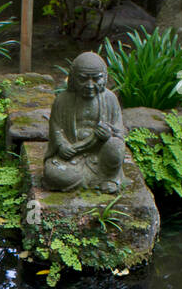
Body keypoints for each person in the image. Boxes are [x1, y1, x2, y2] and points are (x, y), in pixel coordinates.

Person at [42, 52, 127, 194]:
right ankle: (96, 180)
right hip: (71, 159)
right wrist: (62, 145)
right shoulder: (62, 100)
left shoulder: (110, 99)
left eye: (96, 79)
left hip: (99, 157)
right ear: (73, 78)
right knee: (52, 173)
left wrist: (109, 135)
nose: (89, 85)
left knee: (115, 147)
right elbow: (56, 127)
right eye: (83, 79)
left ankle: (110, 178)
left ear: (104, 77)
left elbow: (119, 132)